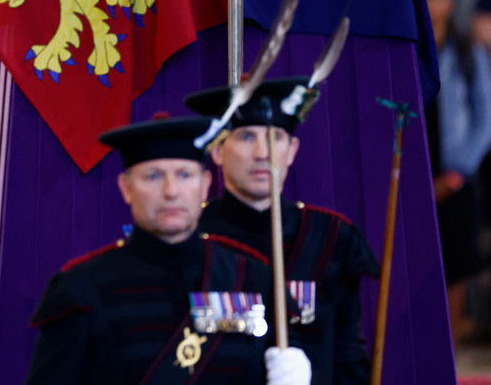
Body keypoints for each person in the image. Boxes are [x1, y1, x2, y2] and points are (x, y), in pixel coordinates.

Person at [26, 114, 312, 384]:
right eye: (153, 176)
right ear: (126, 189)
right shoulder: (81, 289)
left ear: (205, 185)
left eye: (185, 175)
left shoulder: (252, 276)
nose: (171, 191)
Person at [188, 79, 380, 385]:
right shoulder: (188, 238)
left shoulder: (331, 238)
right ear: (218, 150)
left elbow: (347, 356)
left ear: (292, 150)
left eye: (276, 137)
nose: (263, 153)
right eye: (247, 136)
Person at [421, 0, 491, 347]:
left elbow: (484, 118)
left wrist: (455, 173)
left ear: (450, 2)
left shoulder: (467, 51)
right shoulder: (407, 49)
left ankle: (450, 346)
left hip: (457, 175)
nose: (432, 2)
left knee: (457, 264)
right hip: (416, 172)